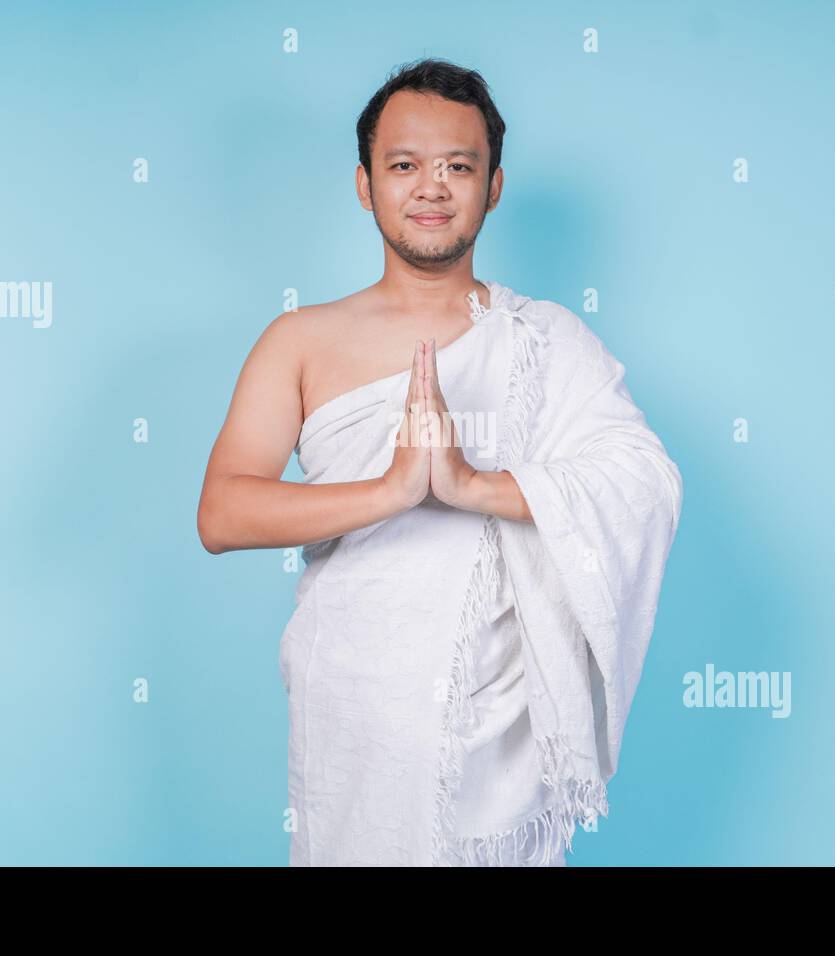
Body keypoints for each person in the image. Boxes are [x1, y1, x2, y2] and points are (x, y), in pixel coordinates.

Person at [196, 57, 683, 866]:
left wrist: (472, 486)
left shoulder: (549, 339)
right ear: (364, 184)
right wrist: (393, 489)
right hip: (358, 708)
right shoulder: (301, 340)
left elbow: (645, 483)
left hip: (502, 729)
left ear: (493, 187)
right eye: (404, 166)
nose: (432, 187)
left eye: (459, 166)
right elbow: (223, 513)